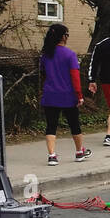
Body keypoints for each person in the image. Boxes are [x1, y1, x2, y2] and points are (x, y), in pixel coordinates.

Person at [39, 23, 90, 165]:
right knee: (75, 125)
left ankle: (52, 156)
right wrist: (79, 95)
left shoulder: (45, 55)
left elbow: (43, 74)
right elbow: (75, 77)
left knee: (51, 126)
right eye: (67, 35)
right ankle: (79, 152)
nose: (67, 38)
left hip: (50, 95)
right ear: (63, 37)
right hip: (68, 96)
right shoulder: (70, 55)